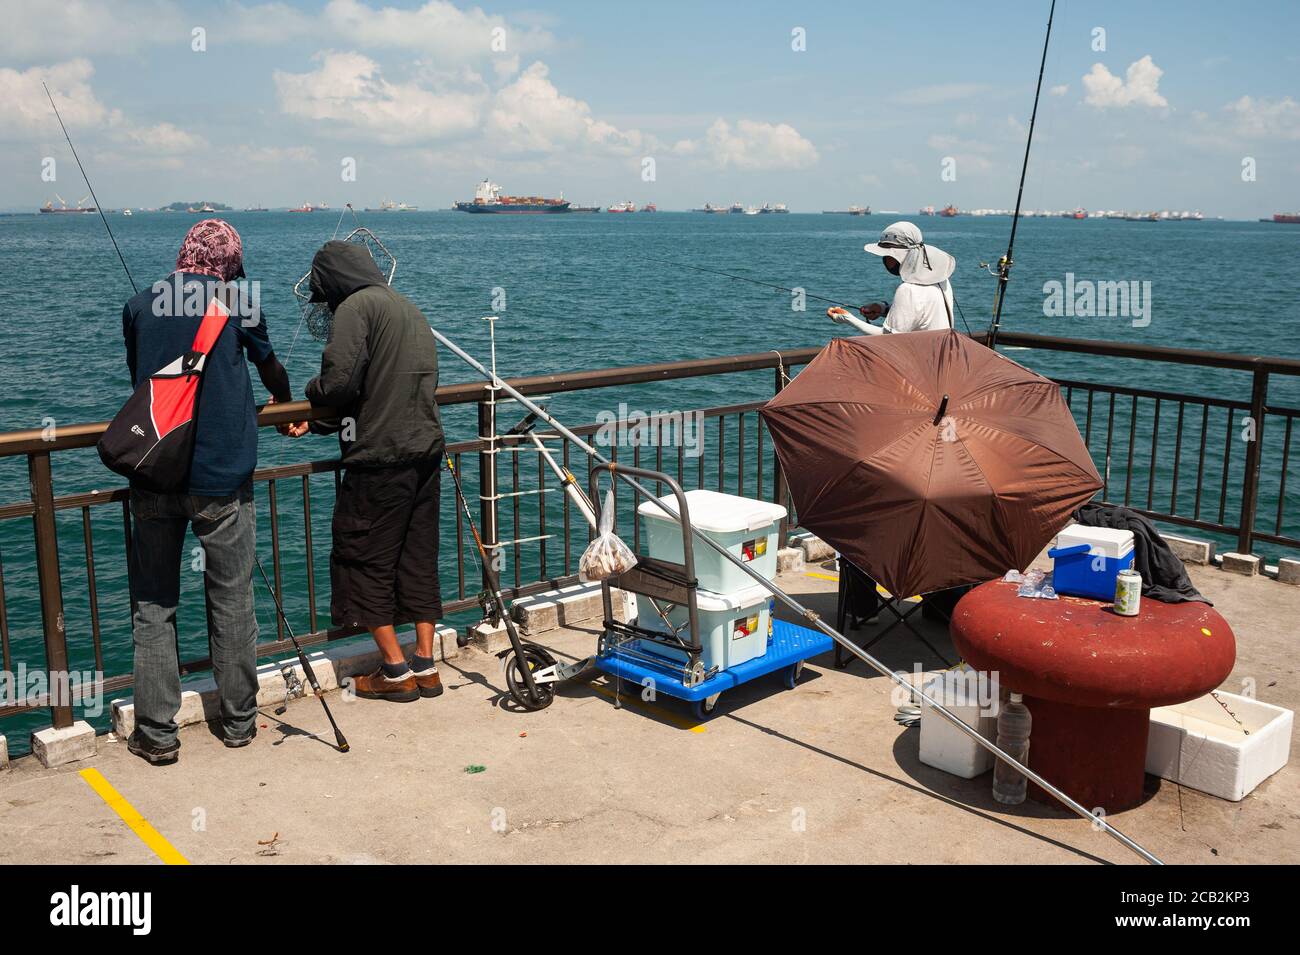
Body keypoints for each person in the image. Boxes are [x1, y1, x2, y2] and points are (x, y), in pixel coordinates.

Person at [122, 219, 305, 766]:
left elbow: (142, 376)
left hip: (154, 471)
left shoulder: (140, 304)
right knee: (230, 598)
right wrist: (285, 404)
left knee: (154, 605)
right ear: (230, 259)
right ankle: (239, 723)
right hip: (222, 476)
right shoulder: (238, 302)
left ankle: (156, 734)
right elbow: (269, 367)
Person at [301, 240, 445, 703]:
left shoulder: (355, 308)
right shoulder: (406, 307)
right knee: (417, 557)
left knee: (364, 557)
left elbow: (341, 382)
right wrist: (325, 419)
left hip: (379, 460)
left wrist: (310, 394)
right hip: (424, 454)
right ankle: (426, 665)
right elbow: (381, 387)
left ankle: (395, 671)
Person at [827, 220, 956, 335]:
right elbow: (920, 314)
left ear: (898, 256)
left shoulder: (907, 290)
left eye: (886, 256)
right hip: (943, 356)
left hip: (921, 360)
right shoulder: (941, 280)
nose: (884, 260)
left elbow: (887, 337)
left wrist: (847, 319)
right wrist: (883, 309)